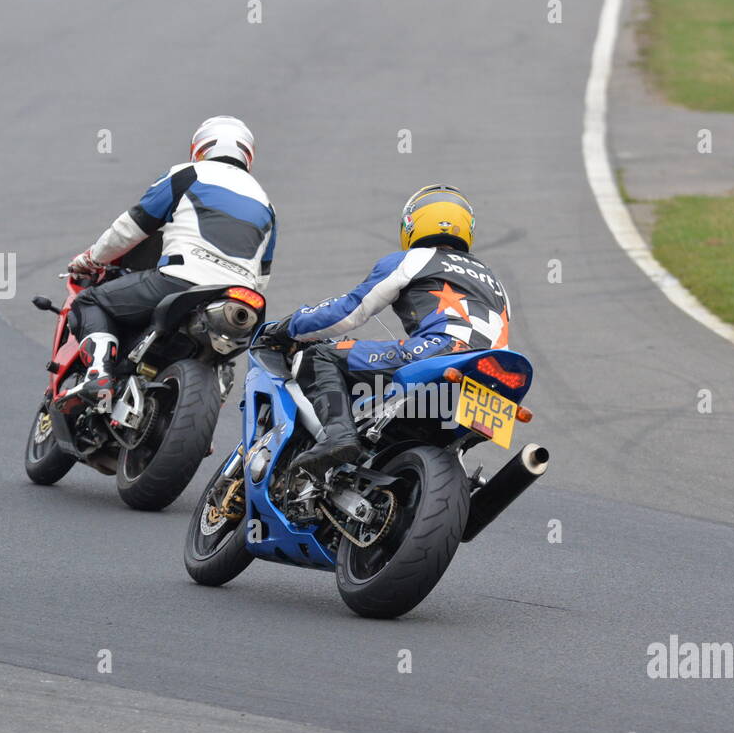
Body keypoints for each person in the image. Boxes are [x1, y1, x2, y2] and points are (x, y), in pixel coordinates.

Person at [268, 184, 509, 473]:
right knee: (449, 442)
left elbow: (348, 312)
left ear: (411, 224)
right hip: (495, 375)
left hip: (442, 350)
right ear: (467, 228)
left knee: (319, 356)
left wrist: (290, 327)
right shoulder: (495, 282)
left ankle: (338, 438)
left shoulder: (415, 259)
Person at [59, 115, 276, 407]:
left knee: (90, 302)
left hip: (181, 280)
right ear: (248, 155)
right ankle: (205, 414)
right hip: (241, 301)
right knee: (223, 359)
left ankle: (97, 375)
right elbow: (262, 276)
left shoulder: (186, 174)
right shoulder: (266, 205)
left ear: (199, 149)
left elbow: (132, 227)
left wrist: (91, 259)